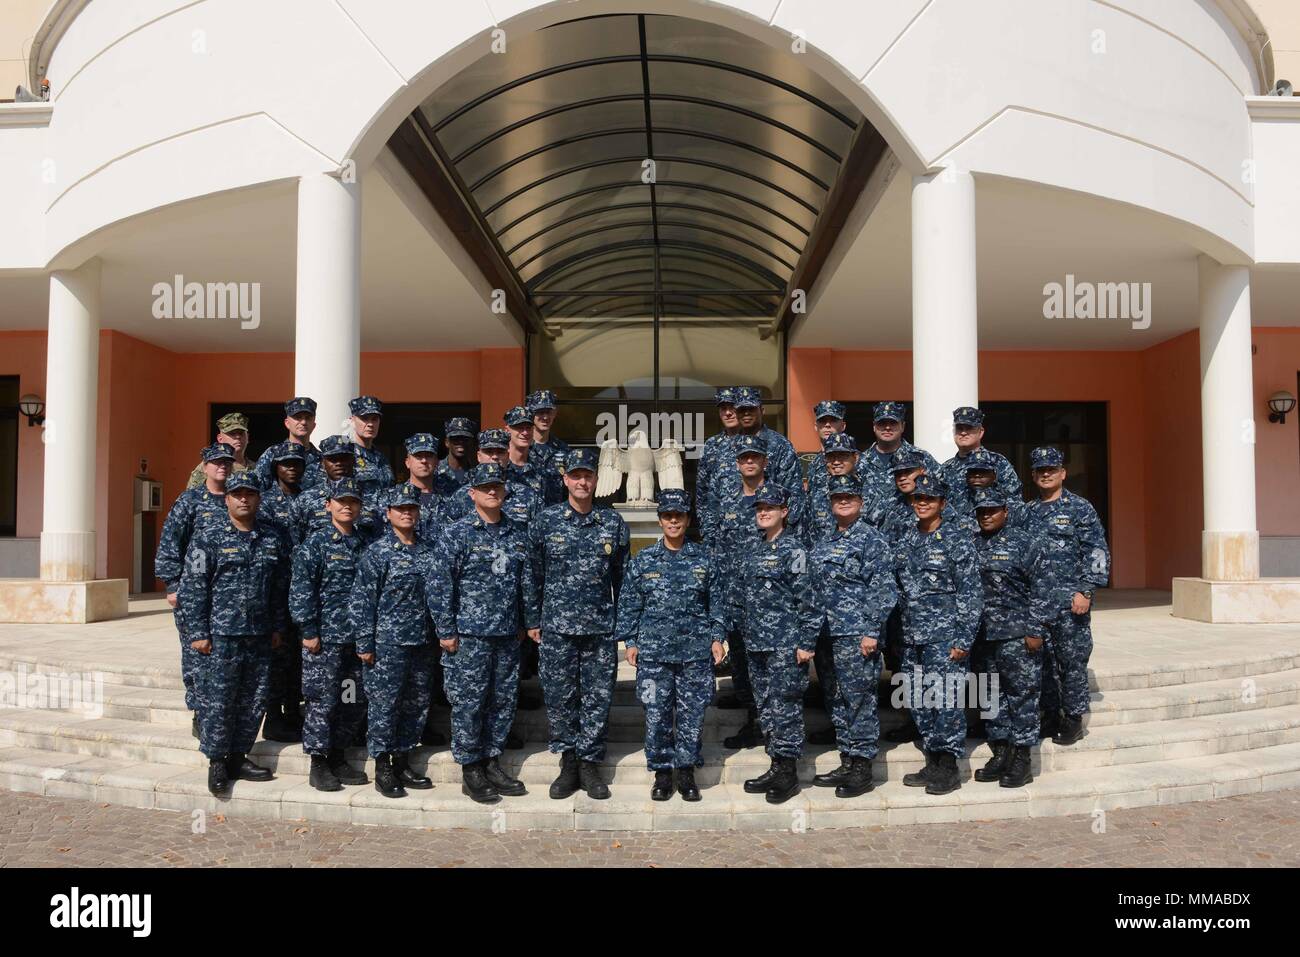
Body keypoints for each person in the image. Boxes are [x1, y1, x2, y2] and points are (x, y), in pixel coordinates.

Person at [430, 463, 542, 804]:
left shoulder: (516, 533)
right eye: (485, 487)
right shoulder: (457, 533)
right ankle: (471, 767)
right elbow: (440, 585)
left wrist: (529, 621)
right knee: (469, 702)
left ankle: (492, 760)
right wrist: (446, 629)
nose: (492, 492)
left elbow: (527, 583)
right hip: (469, 636)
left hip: (508, 635)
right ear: (472, 493)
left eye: (497, 486)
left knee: (502, 701)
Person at [527, 448, 631, 801]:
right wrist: (532, 618)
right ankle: (569, 760)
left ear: (596, 480)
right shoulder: (546, 521)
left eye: (588, 475)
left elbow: (623, 579)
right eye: (576, 475)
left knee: (597, 698)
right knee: (560, 697)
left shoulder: (612, 523)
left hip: (600, 628)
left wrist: (625, 625)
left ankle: (589, 762)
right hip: (556, 627)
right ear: (565, 479)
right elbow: (533, 575)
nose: (582, 481)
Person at [176, 472, 290, 795]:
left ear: (258, 499)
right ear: (226, 499)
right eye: (237, 494)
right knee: (220, 701)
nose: (244, 499)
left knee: (254, 700)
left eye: (250, 494)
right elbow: (193, 590)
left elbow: (278, 588)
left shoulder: (271, 538)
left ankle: (240, 756)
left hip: (260, 635)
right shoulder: (207, 538)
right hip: (221, 636)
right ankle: (217, 762)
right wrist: (197, 632)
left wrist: (278, 626)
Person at [615, 489, 725, 802]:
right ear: (660, 519)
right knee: (656, 714)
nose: (673, 521)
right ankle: (663, 773)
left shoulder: (704, 559)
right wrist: (631, 641)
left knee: (692, 715)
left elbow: (716, 602)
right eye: (668, 515)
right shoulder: (644, 560)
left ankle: (687, 771)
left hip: (695, 653)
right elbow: (629, 603)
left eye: (679, 515)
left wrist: (717, 637)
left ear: (688, 519)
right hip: (653, 655)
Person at [730, 484, 822, 804]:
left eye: (770, 507)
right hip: (756, 644)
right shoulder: (753, 550)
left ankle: (788, 771)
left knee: (785, 707)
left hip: (785, 644)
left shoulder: (794, 551)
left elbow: (809, 601)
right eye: (759, 508)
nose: (763, 512)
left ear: (784, 511)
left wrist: (806, 642)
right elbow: (742, 598)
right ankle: (775, 763)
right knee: (767, 707)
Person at [808, 474, 898, 798]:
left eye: (849, 496)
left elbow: (884, 589)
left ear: (860, 502)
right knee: (835, 698)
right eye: (837, 497)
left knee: (859, 701)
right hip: (827, 636)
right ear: (830, 503)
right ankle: (847, 757)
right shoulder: (823, 543)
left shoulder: (871, 540)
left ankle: (862, 766)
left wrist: (871, 630)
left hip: (857, 637)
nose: (843, 501)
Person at [349, 482, 439, 799]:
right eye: (400, 509)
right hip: (387, 645)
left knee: (415, 705)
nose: (406, 513)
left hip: (422, 643)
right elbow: (362, 601)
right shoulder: (377, 553)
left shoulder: (429, 552)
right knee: (385, 706)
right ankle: (383, 766)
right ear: (388, 514)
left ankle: (401, 759)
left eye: (411, 508)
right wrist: (365, 643)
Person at [896, 473, 983, 796]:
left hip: (945, 637)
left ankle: (948, 766)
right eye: (918, 499)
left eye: (929, 499)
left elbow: (971, 593)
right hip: (911, 637)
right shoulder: (906, 540)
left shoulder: (957, 540)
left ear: (942, 504)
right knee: (919, 700)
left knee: (946, 701)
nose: (922, 504)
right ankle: (933, 758)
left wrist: (963, 639)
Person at [1024, 446, 1111, 746]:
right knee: (1043, 664)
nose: (1046, 474)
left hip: (1070, 602)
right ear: (1034, 475)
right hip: (1038, 604)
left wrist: (1086, 590)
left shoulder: (1079, 508)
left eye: (1052, 469)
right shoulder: (1027, 512)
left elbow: (1096, 552)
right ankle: (1049, 716)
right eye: (1040, 470)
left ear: (1062, 473)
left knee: (1072, 662)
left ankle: (1073, 719)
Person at [290, 477, 371, 792]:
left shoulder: (365, 544)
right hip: (325, 641)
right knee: (322, 701)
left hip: (356, 642)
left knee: (350, 699)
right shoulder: (316, 545)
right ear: (328, 505)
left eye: (353, 501)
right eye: (341, 501)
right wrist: (308, 630)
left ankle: (338, 754)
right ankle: (319, 762)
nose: (347, 506)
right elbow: (301, 591)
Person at [970, 486, 1053, 788]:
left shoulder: (1025, 544)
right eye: (981, 511)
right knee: (989, 696)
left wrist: (1035, 629)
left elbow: (1044, 590)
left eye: (992, 509)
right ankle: (1000, 750)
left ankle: (1022, 758)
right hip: (982, 637)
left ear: (1005, 511)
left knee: (1022, 696)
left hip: (1017, 635)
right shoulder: (972, 543)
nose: (987, 515)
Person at [155, 442, 234, 736]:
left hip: (228, 594)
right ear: (204, 467)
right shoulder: (190, 501)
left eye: (227, 462)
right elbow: (169, 544)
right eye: (216, 462)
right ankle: (200, 713)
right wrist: (172, 585)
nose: (222, 466)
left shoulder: (238, 499)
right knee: (197, 658)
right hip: (194, 593)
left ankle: (223, 714)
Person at [710, 434, 772, 747]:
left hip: (768, 604)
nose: (749, 461)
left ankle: (773, 726)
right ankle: (753, 720)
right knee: (743, 667)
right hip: (735, 599)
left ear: (764, 461)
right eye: (744, 457)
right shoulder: (727, 500)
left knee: (768, 668)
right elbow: (719, 548)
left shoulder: (775, 499)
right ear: (737, 464)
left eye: (755, 456)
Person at [258, 442, 307, 744]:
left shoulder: (309, 500)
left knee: (295, 657)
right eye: (285, 463)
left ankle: (292, 712)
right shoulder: (263, 503)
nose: (291, 468)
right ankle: (273, 718)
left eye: (297, 463)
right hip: (275, 588)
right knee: (276, 657)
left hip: (301, 590)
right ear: (275, 467)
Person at [937, 406, 1021, 516]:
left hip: (988, 530)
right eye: (959, 428)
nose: (963, 433)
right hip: (955, 531)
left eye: (969, 428)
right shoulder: (946, 468)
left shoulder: (997, 463)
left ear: (980, 432)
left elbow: (1014, 503)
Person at [860, 402, 938, 506]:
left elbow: (940, 492)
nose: (887, 427)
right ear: (874, 426)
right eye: (882, 423)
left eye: (893, 423)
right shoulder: (861, 461)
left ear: (903, 426)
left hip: (909, 521)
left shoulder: (921, 458)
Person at [805, 401, 870, 513]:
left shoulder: (862, 462)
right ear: (816, 426)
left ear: (843, 425)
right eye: (822, 421)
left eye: (833, 420)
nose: (827, 425)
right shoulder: (814, 464)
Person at [695, 386, 741, 537]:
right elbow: (702, 491)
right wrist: (706, 528)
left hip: (751, 532)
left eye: (732, 407)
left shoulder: (759, 443)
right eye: (723, 409)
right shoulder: (711, 445)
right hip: (718, 534)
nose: (728, 413)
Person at [255, 397, 321, 490]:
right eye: (298, 417)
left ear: (314, 425)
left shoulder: (322, 459)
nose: (303, 422)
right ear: (287, 423)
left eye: (308, 418)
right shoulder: (272, 454)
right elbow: (258, 488)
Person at [503, 405, 564, 505]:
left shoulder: (542, 468)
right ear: (507, 430)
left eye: (528, 427)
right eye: (519, 428)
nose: (525, 432)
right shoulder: (499, 466)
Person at [185, 412, 255, 489]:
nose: (238, 437)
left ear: (247, 437)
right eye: (232, 433)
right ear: (220, 439)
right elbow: (191, 497)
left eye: (241, 433)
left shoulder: (256, 468)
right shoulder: (210, 467)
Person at [348, 395, 393, 508]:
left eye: (374, 419)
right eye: (364, 418)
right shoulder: (347, 457)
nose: (370, 424)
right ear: (352, 420)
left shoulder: (382, 459)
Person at [526, 389, 570, 476]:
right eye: (540, 412)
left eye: (549, 412)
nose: (545, 417)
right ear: (531, 414)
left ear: (554, 414)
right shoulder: (521, 448)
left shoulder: (563, 449)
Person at [434, 417, 478, 497]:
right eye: (455, 439)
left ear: (472, 442)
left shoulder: (478, 474)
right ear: (447, 442)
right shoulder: (434, 472)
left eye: (465, 439)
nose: (460, 442)